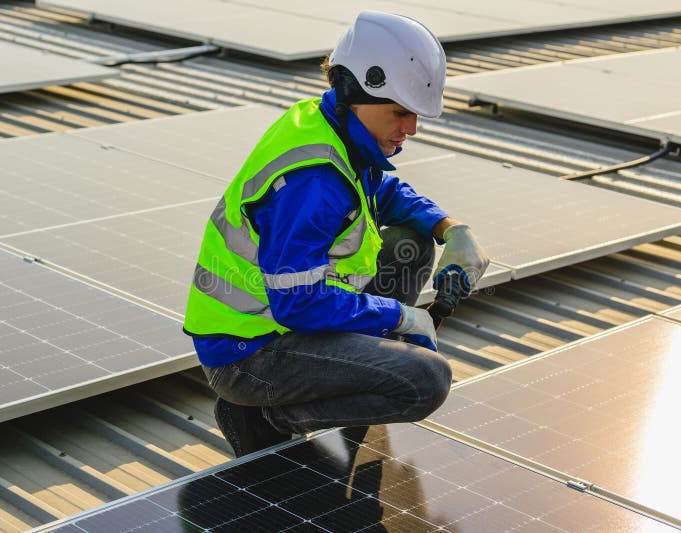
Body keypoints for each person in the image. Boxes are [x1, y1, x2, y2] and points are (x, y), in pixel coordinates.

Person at [183, 10, 490, 458]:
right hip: (249, 355)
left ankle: (360, 373)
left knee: (411, 242)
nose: (411, 129)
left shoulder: (335, 124)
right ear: (356, 92)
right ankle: (262, 416)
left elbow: (380, 190)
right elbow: (298, 303)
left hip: (283, 320)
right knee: (425, 381)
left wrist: (449, 227)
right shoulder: (312, 183)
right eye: (400, 112)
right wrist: (401, 317)